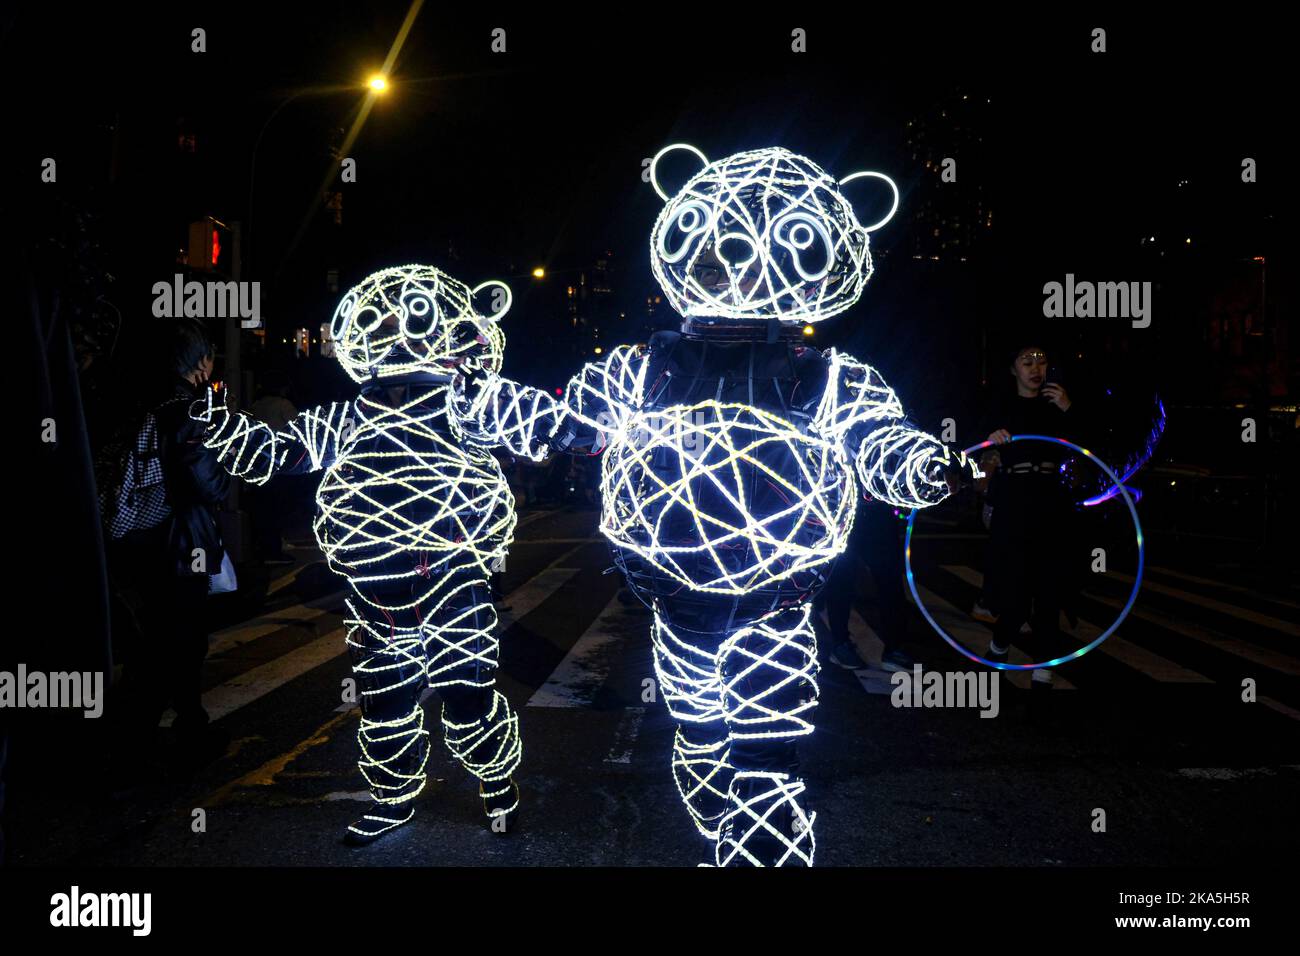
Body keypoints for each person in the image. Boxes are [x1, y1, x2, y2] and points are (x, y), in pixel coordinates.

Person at [110, 318, 231, 770]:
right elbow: (208, 484)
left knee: (161, 642)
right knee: (179, 643)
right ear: (200, 361)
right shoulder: (187, 412)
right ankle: (135, 750)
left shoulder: (144, 403)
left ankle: (184, 729)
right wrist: (227, 460)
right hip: (179, 545)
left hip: (141, 541)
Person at [975, 341, 1083, 690]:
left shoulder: (1057, 405)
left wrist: (1070, 410)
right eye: (1027, 362)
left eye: (1041, 360)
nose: (1036, 369)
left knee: (1049, 589)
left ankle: (1043, 670)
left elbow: (1087, 446)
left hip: (1051, 501)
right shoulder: (1000, 406)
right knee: (1017, 595)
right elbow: (978, 458)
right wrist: (990, 442)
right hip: (1014, 501)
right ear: (1013, 369)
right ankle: (999, 645)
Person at [821, 498, 917, 672]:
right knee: (842, 577)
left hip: (878, 508)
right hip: (845, 507)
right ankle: (840, 643)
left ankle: (893, 648)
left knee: (889, 578)